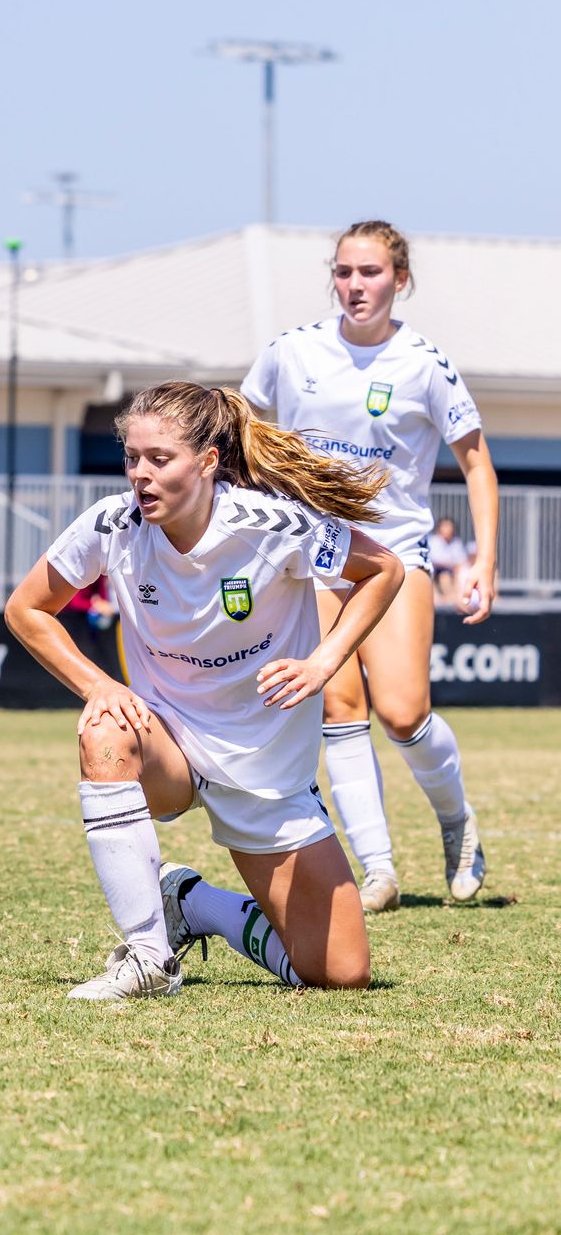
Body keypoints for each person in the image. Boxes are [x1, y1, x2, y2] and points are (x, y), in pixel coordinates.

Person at [8, 381, 403, 998]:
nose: (140, 474)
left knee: (340, 975)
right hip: (170, 747)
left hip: (265, 773)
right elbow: (27, 609)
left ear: (209, 462)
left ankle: (193, 904)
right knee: (106, 728)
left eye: (159, 459)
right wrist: (99, 686)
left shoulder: (273, 525)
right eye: (132, 458)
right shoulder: (113, 524)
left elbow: (383, 569)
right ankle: (147, 956)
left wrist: (324, 662)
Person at [241, 220, 500, 912]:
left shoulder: (425, 363)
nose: (357, 285)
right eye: (346, 272)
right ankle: (378, 871)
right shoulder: (290, 353)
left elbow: (476, 462)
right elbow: (242, 428)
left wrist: (485, 558)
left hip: (395, 554)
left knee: (404, 710)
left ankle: (457, 822)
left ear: (400, 279)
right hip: (314, 551)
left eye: (372, 273)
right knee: (337, 703)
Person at [427, 517, 473, 608]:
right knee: (445, 576)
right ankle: (452, 599)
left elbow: (462, 560)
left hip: (453, 572)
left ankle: (457, 598)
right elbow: (435, 559)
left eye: (449, 527)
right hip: (435, 571)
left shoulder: (456, 542)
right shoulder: (433, 541)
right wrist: (452, 565)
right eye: (445, 526)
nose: (447, 529)